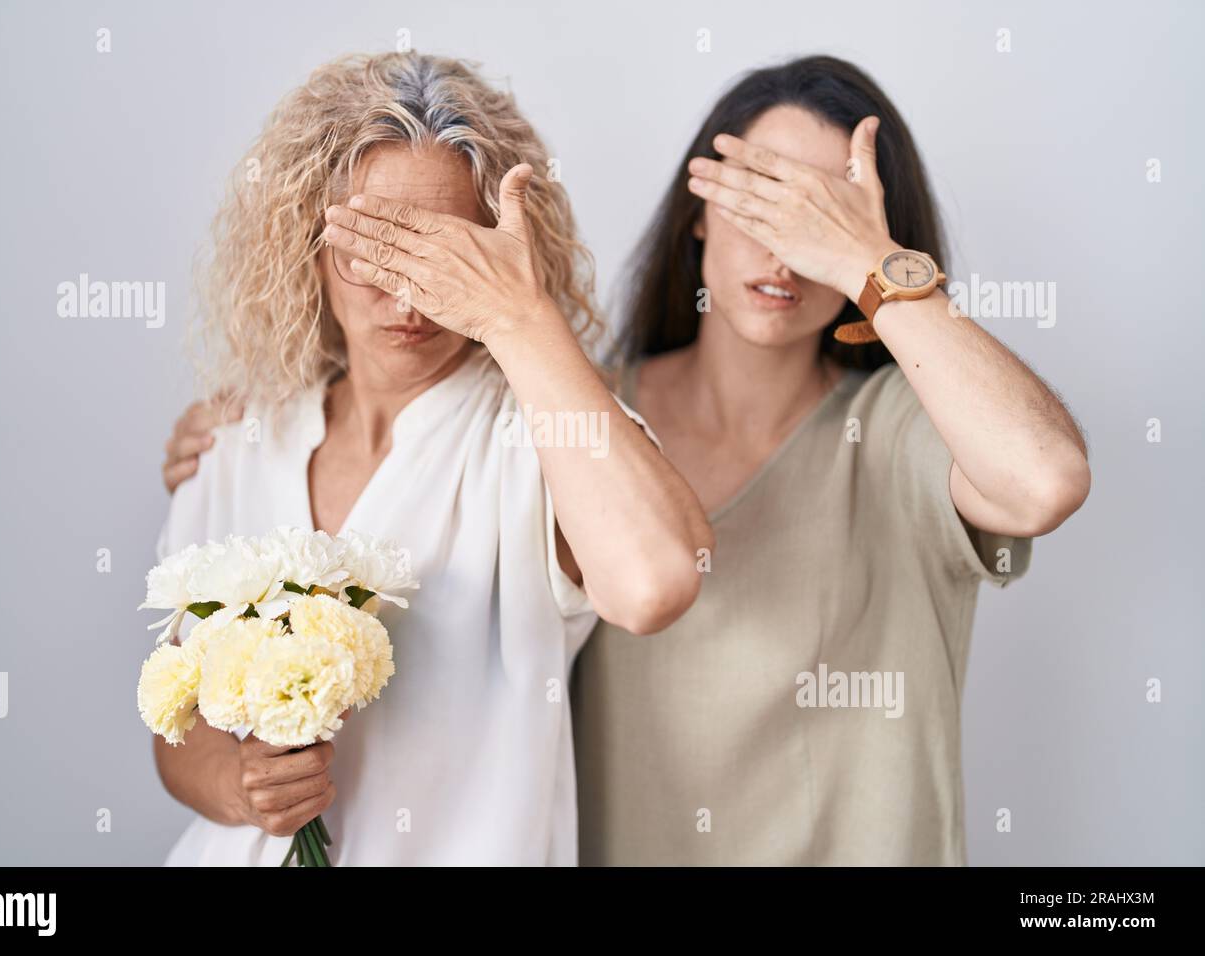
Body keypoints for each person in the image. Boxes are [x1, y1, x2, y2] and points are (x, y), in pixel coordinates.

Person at [164, 55, 1090, 866]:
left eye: (821, 214)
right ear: (699, 214)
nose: (785, 248)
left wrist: (870, 260)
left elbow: (1042, 479)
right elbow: (180, 727)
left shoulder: (890, 432)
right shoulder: (579, 407)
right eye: (762, 200)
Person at [151, 51, 712, 867]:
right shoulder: (237, 445)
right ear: (307, 245)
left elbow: (657, 581)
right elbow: (175, 730)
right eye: (372, 251)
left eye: (444, 257)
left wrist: (520, 317)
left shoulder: (539, 443)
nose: (407, 297)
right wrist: (243, 785)